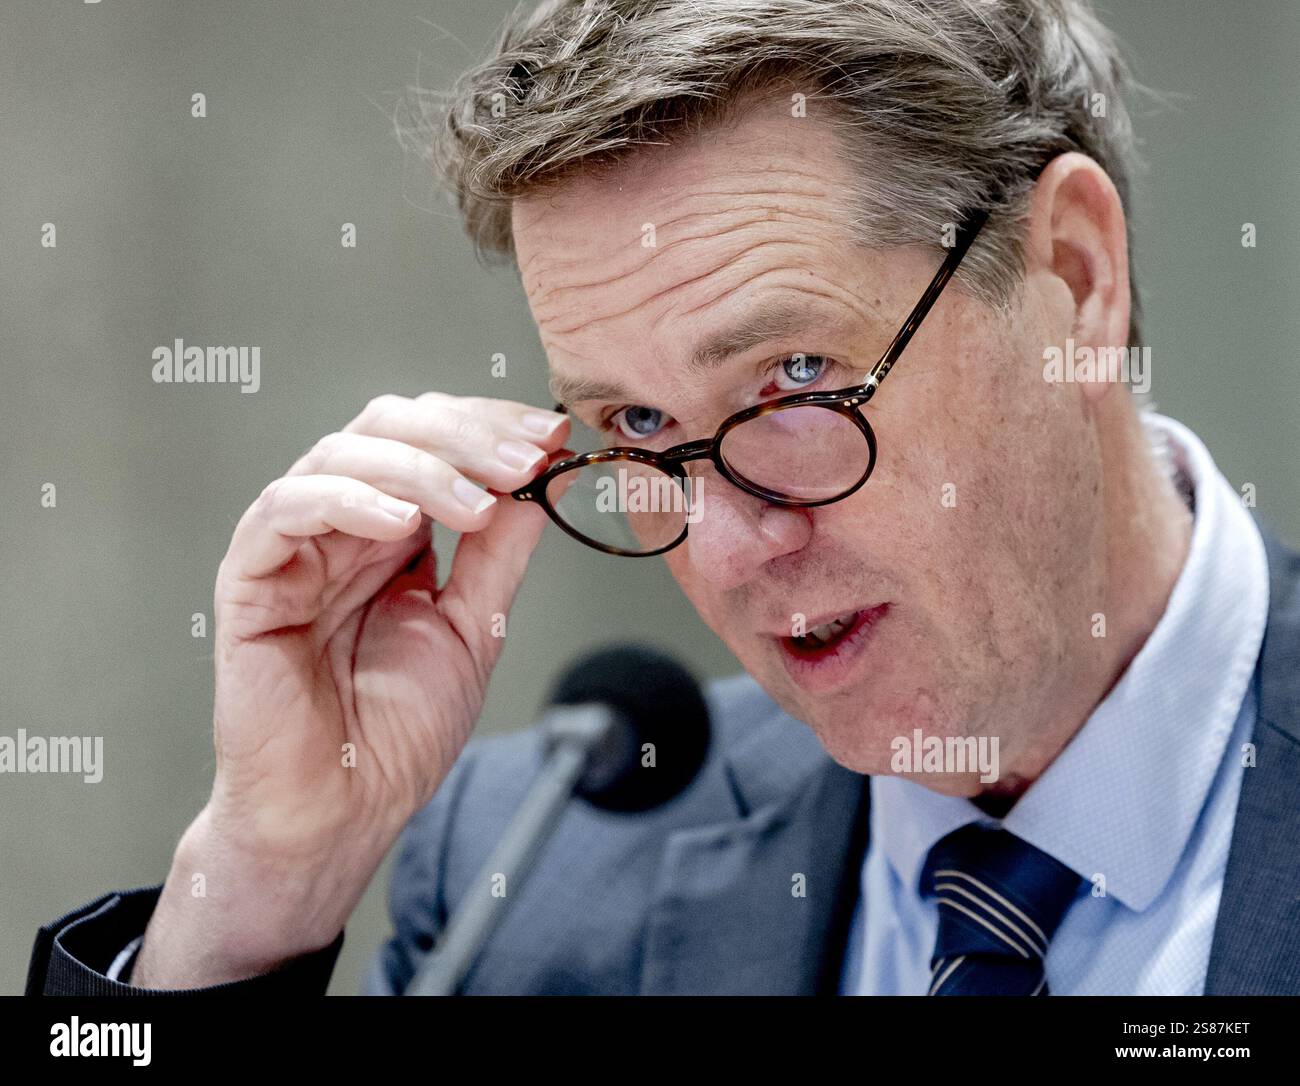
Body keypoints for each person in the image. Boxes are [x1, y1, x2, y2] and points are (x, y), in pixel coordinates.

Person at [27, 0, 1300, 996]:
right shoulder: (523, 867)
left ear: (1072, 279)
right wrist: (250, 903)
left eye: (796, 376)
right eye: (637, 424)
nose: (732, 544)